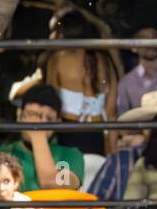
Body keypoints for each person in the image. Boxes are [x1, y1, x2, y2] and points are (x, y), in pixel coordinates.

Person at [42, 13, 119, 155]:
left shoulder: (57, 60)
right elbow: (112, 111)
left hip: (69, 134)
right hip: (97, 132)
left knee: (69, 176)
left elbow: (50, 101)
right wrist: (112, 152)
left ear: (62, 33)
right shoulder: (104, 60)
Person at [0, 84, 84, 191]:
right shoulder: (2, 153)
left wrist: (37, 134)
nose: (40, 122)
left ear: (57, 124)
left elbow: (54, 184)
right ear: (19, 115)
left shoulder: (69, 155)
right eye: (31, 114)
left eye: (48, 118)